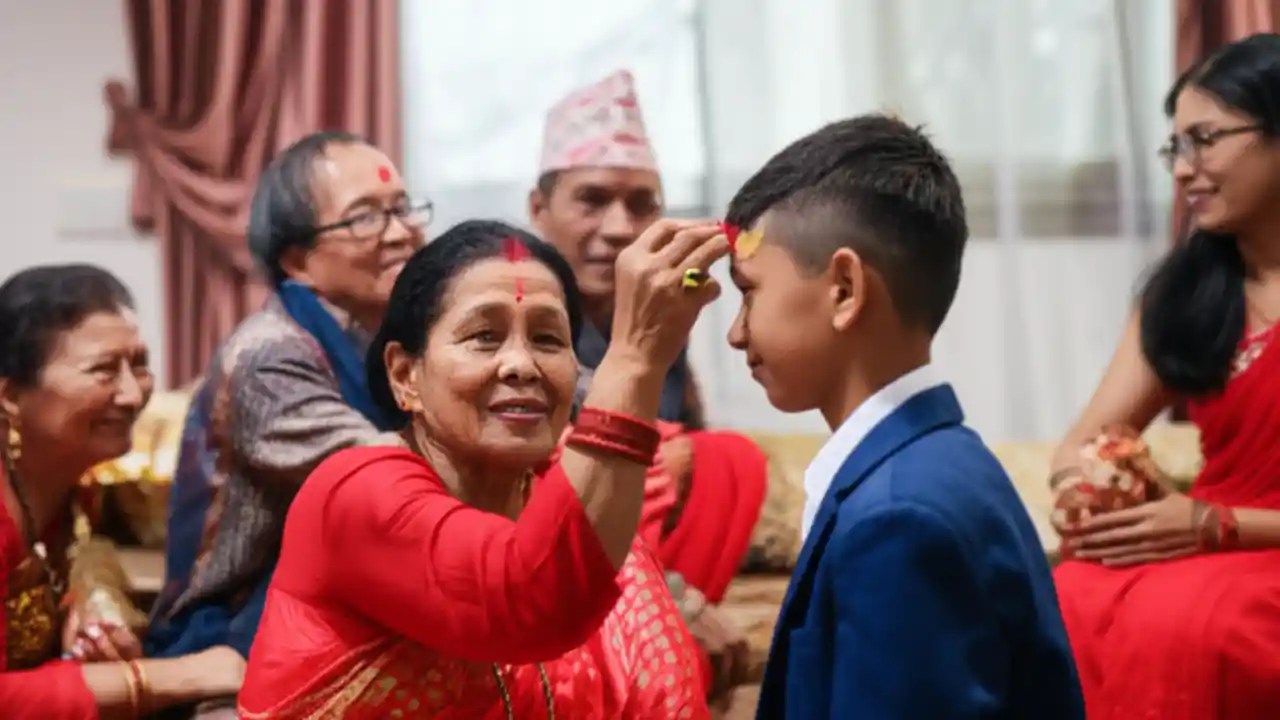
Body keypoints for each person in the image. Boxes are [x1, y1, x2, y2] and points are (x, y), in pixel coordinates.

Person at [237, 218, 725, 717]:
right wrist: (633, 360)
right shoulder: (355, 495)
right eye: (484, 336)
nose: (522, 364)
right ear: (405, 376)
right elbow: (530, 597)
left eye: (548, 339)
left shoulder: (577, 508)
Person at [725, 115, 1084, 718]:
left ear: (844, 288)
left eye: (748, 290)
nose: (736, 333)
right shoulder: (939, 463)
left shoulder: (899, 519)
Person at [145, 131, 429, 714]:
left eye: (402, 208)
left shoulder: (389, 335)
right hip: (233, 650)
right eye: (366, 218)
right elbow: (389, 483)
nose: (402, 232)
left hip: (357, 627)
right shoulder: (270, 357)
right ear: (298, 260)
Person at [1051, 33, 1280, 719]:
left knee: (1196, 622)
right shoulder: (1182, 296)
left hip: (1248, 548)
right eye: (1174, 147)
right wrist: (1088, 495)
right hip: (1203, 541)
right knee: (1064, 597)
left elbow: (1212, 528)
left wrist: (1218, 525)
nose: (1183, 170)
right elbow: (1081, 444)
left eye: (1205, 140)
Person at [528, 71, 765, 689]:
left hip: (638, 550)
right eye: (592, 199)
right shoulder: (512, 312)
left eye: (641, 204)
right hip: (548, 556)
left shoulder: (662, 310)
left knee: (726, 461)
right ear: (538, 210)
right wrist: (679, 602)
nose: (619, 228)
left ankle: (643, 639)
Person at [0, 264, 245, 718]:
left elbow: (84, 561)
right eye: (103, 371)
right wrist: (173, 677)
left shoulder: (71, 483)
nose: (134, 394)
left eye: (139, 365)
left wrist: (89, 613)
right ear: (11, 395)